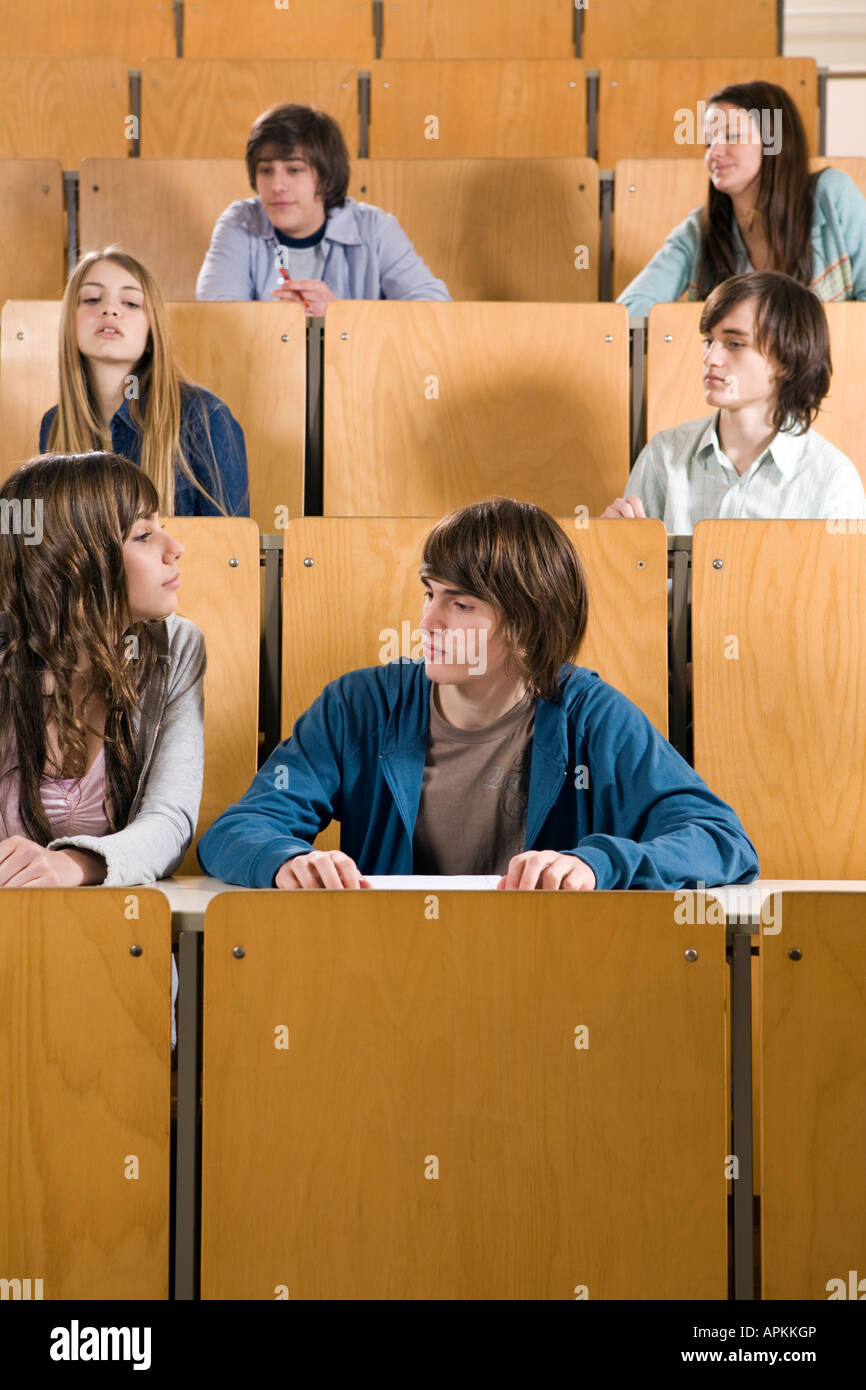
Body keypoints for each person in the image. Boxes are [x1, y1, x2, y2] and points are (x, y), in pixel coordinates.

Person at [198, 498, 759, 890]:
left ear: (525, 623)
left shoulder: (590, 715)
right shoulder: (358, 706)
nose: (428, 620)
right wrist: (285, 860)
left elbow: (720, 840)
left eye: (460, 604)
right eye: (429, 593)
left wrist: (599, 865)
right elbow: (236, 831)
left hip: (543, 974)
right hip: (392, 974)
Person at [0, 452, 205, 889]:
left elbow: (170, 821)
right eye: (144, 535)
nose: (175, 548)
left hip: (118, 930)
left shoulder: (179, 647)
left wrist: (75, 865)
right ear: (76, 564)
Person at [603, 271, 866, 532]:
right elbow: (630, 570)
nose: (710, 358)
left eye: (734, 344)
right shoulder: (662, 455)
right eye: (708, 341)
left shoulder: (832, 481)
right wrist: (612, 544)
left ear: (787, 361)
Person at [618, 81, 866, 316]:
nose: (714, 151)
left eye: (731, 136)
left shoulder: (832, 194)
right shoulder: (700, 229)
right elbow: (630, 309)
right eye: (709, 141)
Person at [41, 249, 249, 517]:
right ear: (70, 321)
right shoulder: (54, 424)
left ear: (152, 332)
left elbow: (229, 552)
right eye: (92, 298)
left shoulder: (205, 417)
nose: (109, 309)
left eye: (130, 303)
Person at [196, 103, 451, 309]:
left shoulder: (375, 228)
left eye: (294, 170)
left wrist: (340, 319)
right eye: (265, 170)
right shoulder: (238, 221)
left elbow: (434, 307)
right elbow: (217, 316)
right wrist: (281, 323)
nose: (277, 185)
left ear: (327, 179)